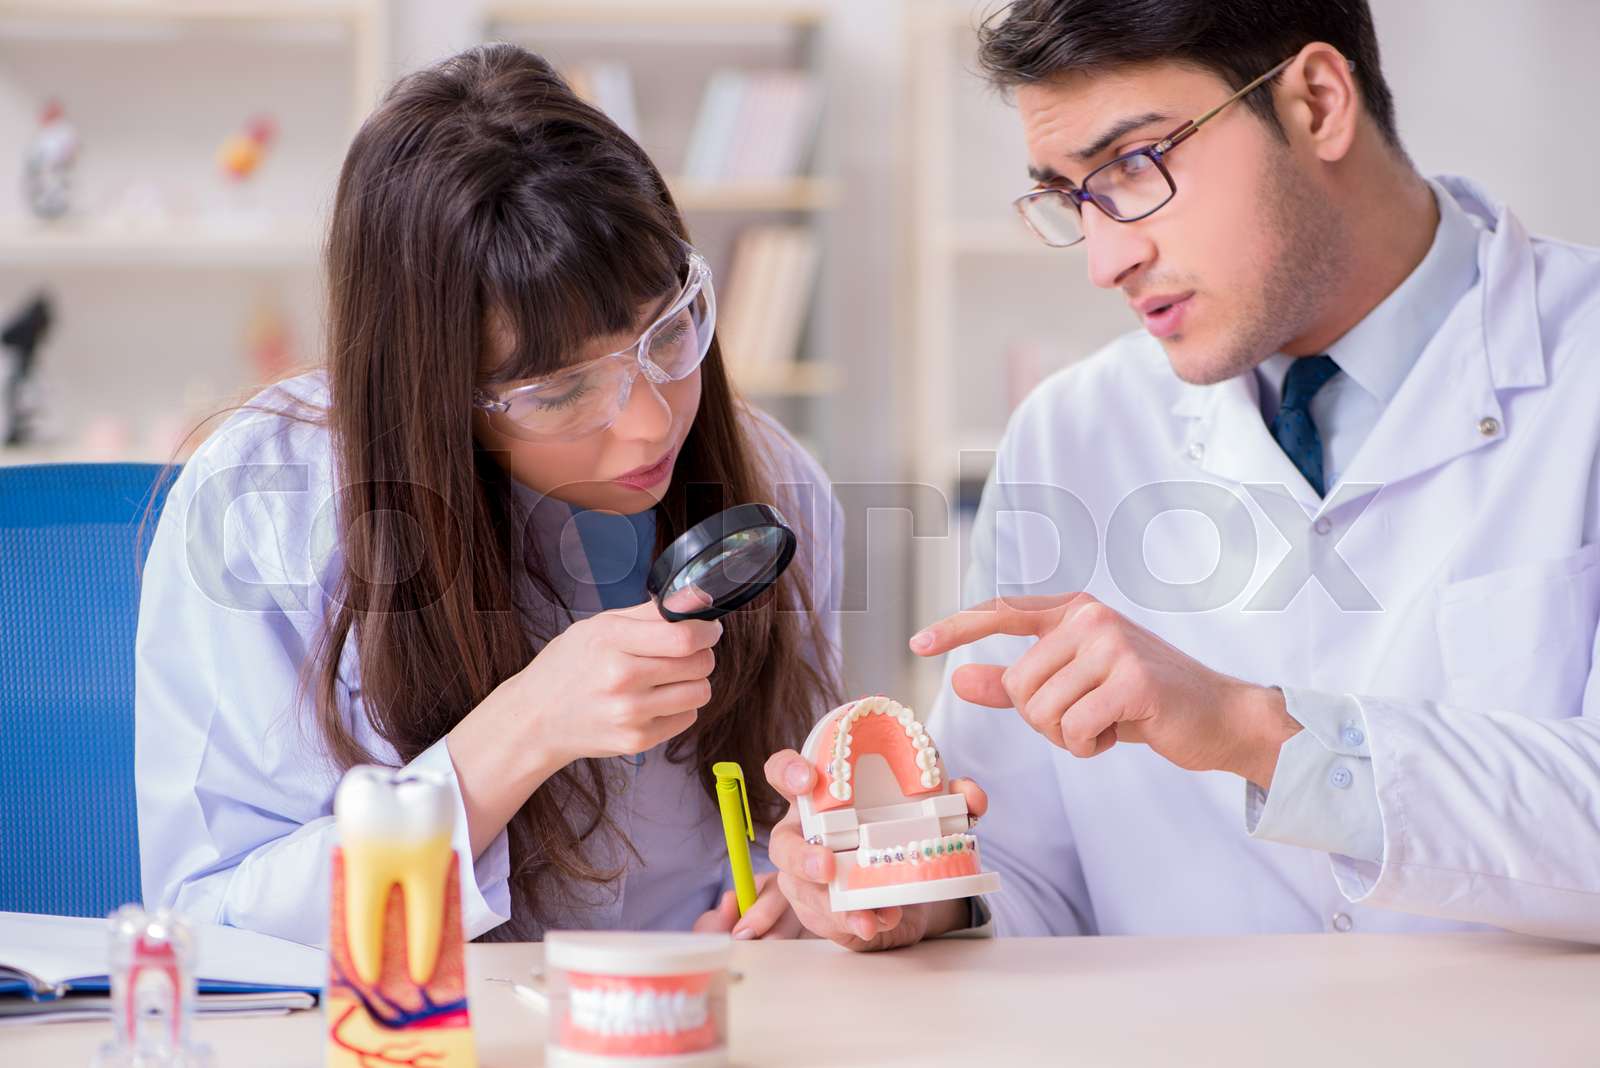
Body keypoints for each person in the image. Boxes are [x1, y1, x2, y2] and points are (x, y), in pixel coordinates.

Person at [767, 0, 1600, 948]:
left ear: (1318, 103)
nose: (1109, 258)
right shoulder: (1070, 434)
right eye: (1073, 196)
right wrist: (917, 895)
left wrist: (1257, 735)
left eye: (1134, 166)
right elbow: (1021, 874)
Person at [135, 44, 842, 945]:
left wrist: (800, 900)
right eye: (559, 392)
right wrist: (521, 732)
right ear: (429, 391)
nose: (652, 423)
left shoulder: (779, 485)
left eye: (667, 331)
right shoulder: (260, 503)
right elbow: (211, 930)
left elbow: (787, 825)